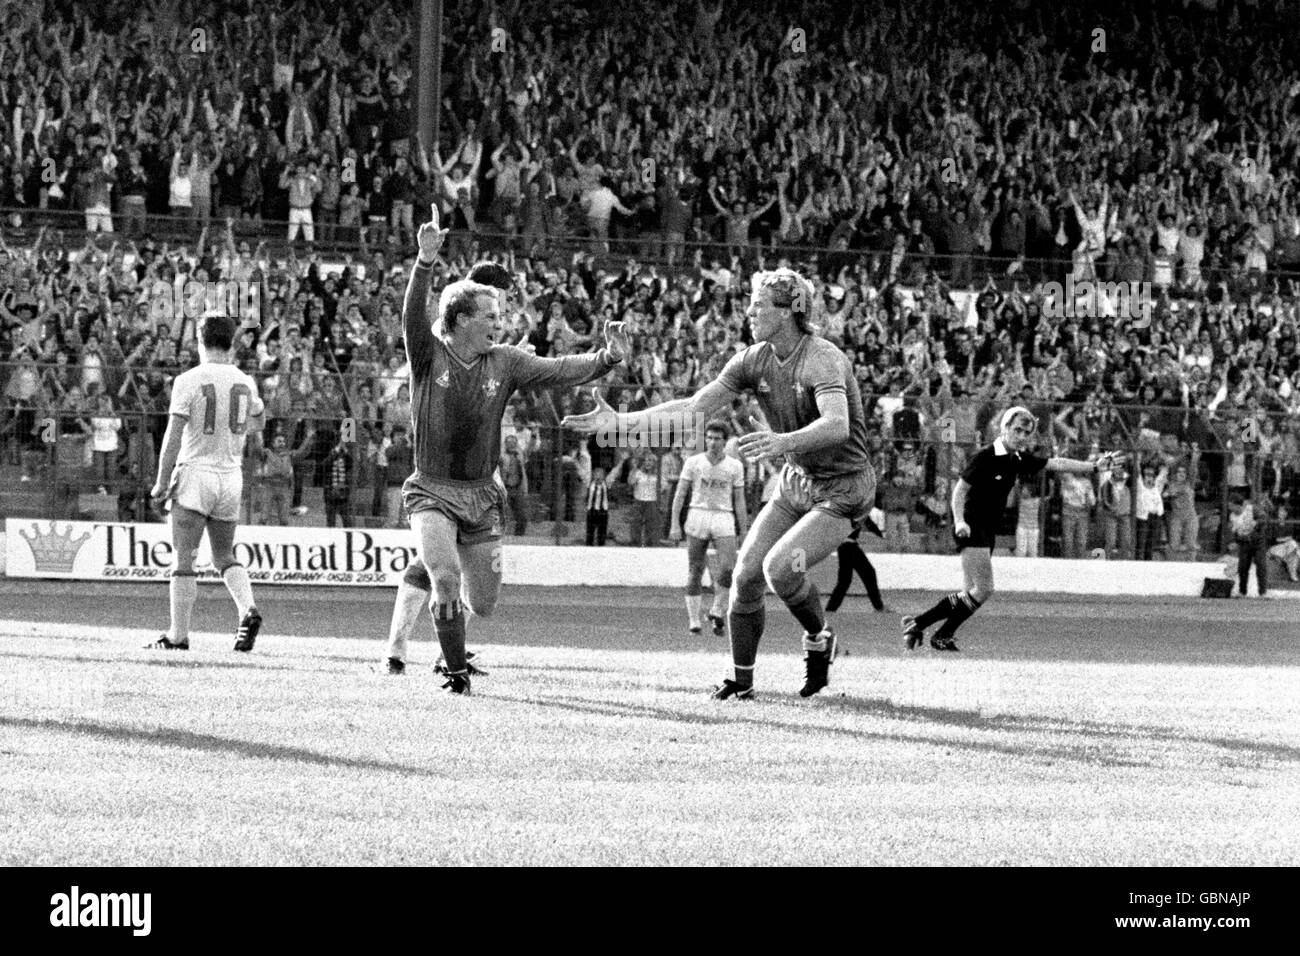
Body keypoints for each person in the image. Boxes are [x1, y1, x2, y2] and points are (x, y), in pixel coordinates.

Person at [565, 268, 873, 699]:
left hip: (843, 489)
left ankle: (820, 637)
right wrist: (620, 424)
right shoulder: (752, 359)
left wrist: (783, 441)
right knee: (746, 576)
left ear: (789, 312)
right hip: (797, 481)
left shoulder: (821, 357)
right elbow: (692, 408)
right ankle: (741, 681)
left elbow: (837, 425)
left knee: (781, 569)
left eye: (759, 304)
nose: (748, 311)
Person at [385, 207, 629, 694]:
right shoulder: (428, 352)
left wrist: (607, 358)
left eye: (500, 314)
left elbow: (561, 368)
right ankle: (453, 672)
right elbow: (414, 314)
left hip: (482, 492)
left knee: (486, 604)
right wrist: (425, 261)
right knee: (444, 577)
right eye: (492, 314)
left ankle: (434, 646)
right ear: (461, 319)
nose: (501, 321)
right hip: (432, 489)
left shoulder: (507, 361)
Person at [381, 260, 519, 678]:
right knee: (437, 566)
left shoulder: (475, 336)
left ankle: (413, 650)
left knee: (437, 565)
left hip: (471, 457)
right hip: (444, 461)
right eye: (499, 302)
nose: (502, 313)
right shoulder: (449, 333)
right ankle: (407, 649)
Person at [901, 407, 1126, 652]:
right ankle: (925, 627)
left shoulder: (1016, 458)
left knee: (970, 593)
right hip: (972, 527)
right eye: (1016, 429)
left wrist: (1094, 467)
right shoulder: (986, 456)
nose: (1020, 436)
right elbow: (960, 491)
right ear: (1004, 428)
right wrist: (960, 521)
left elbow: (1055, 463)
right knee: (985, 589)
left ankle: (933, 631)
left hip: (987, 530)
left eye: (1026, 432)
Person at [144, 315, 264, 652]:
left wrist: (161, 481)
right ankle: (248, 609)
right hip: (230, 476)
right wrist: (232, 430)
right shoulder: (245, 381)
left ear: (200, 340)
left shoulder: (188, 380)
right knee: (224, 554)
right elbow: (260, 419)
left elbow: (173, 435)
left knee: (185, 558)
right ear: (232, 342)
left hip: (197, 472)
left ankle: (177, 636)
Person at [669, 419, 749, 636]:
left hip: (723, 516)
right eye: (710, 437)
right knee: (695, 570)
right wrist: (675, 522)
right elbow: (680, 494)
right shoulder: (694, 462)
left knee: (729, 568)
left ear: (725, 441)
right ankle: (694, 620)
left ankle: (716, 609)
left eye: (717, 439)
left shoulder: (735, 466)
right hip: (698, 514)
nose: (713, 442)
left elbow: (740, 500)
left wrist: (744, 530)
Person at [825, 518, 887, 614]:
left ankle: (830, 609)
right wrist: (881, 534)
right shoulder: (859, 509)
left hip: (843, 546)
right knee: (869, 574)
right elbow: (869, 523)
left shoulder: (848, 509)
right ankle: (879, 607)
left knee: (844, 581)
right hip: (849, 545)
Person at [1228, 494, 1268, 597]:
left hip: (1258, 542)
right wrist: (1236, 540)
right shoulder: (1232, 516)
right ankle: (1242, 592)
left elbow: (1263, 518)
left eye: (1232, 506)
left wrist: (1256, 523)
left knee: (1261, 566)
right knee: (1242, 567)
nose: (1230, 508)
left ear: (1238, 506)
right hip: (1244, 542)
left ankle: (1263, 592)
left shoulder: (1252, 509)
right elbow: (1235, 531)